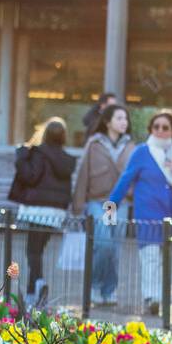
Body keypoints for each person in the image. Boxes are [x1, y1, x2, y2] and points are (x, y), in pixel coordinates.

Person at [108, 108, 172, 317]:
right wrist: (111, 205)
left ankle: (160, 295)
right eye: (156, 127)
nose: (161, 131)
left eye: (166, 127)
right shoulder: (142, 152)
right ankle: (151, 297)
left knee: (164, 258)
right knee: (150, 256)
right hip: (147, 213)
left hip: (171, 213)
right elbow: (125, 180)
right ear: (151, 129)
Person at [72, 103, 134, 306]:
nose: (123, 122)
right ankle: (96, 287)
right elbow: (82, 174)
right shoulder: (94, 143)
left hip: (120, 203)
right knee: (103, 244)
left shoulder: (131, 146)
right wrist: (78, 205)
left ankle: (110, 291)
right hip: (98, 201)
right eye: (119, 118)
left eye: (125, 118)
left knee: (115, 250)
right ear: (107, 122)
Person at [10, 117, 76, 306]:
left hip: (37, 208)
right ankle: (33, 290)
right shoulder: (66, 159)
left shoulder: (38, 153)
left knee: (32, 251)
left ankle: (38, 284)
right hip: (56, 211)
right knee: (38, 250)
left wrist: (21, 157)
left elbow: (30, 176)